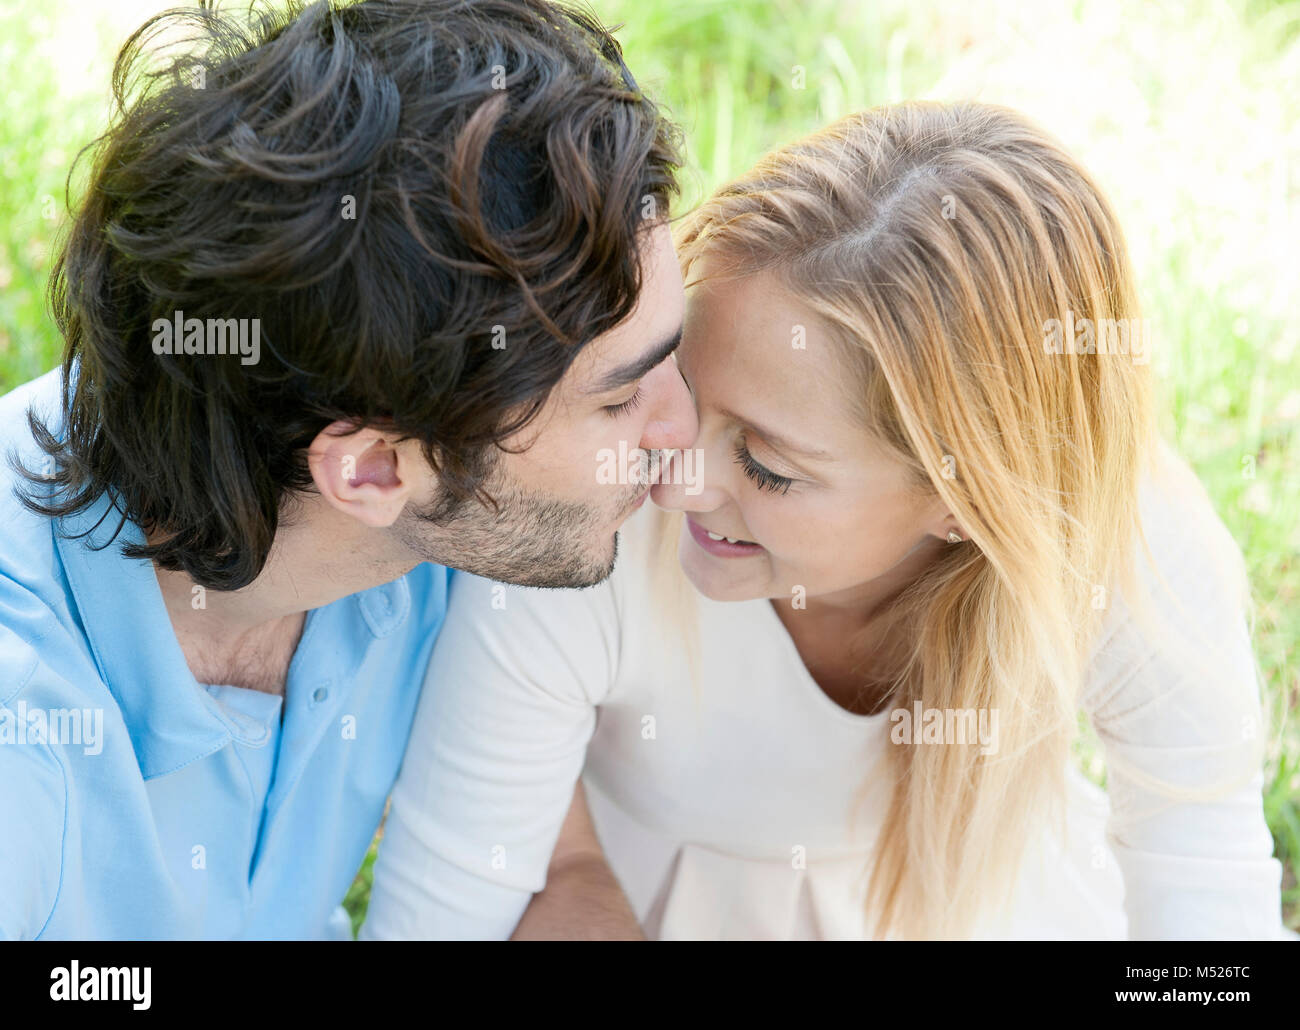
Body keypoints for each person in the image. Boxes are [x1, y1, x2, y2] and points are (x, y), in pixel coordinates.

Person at [362, 101, 1287, 940]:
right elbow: (443, 910)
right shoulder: (587, 524)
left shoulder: (1120, 547)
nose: (675, 478)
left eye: (768, 466)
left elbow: (1206, 897)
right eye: (682, 382)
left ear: (965, 501)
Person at [0, 0, 696, 940]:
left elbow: (552, 866)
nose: (683, 432)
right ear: (369, 472)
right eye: (622, 400)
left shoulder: (445, 535)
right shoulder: (26, 754)